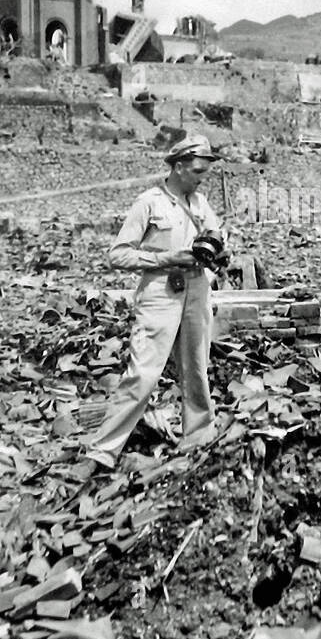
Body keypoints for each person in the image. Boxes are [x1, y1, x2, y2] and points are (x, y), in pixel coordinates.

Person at [80, 135, 226, 468]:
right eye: (198, 170)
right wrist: (165, 258)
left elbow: (216, 240)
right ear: (178, 166)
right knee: (143, 373)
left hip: (198, 289)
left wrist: (220, 252)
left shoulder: (201, 204)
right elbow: (118, 255)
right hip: (161, 290)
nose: (202, 178)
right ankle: (103, 451)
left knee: (196, 370)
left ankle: (198, 438)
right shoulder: (149, 202)